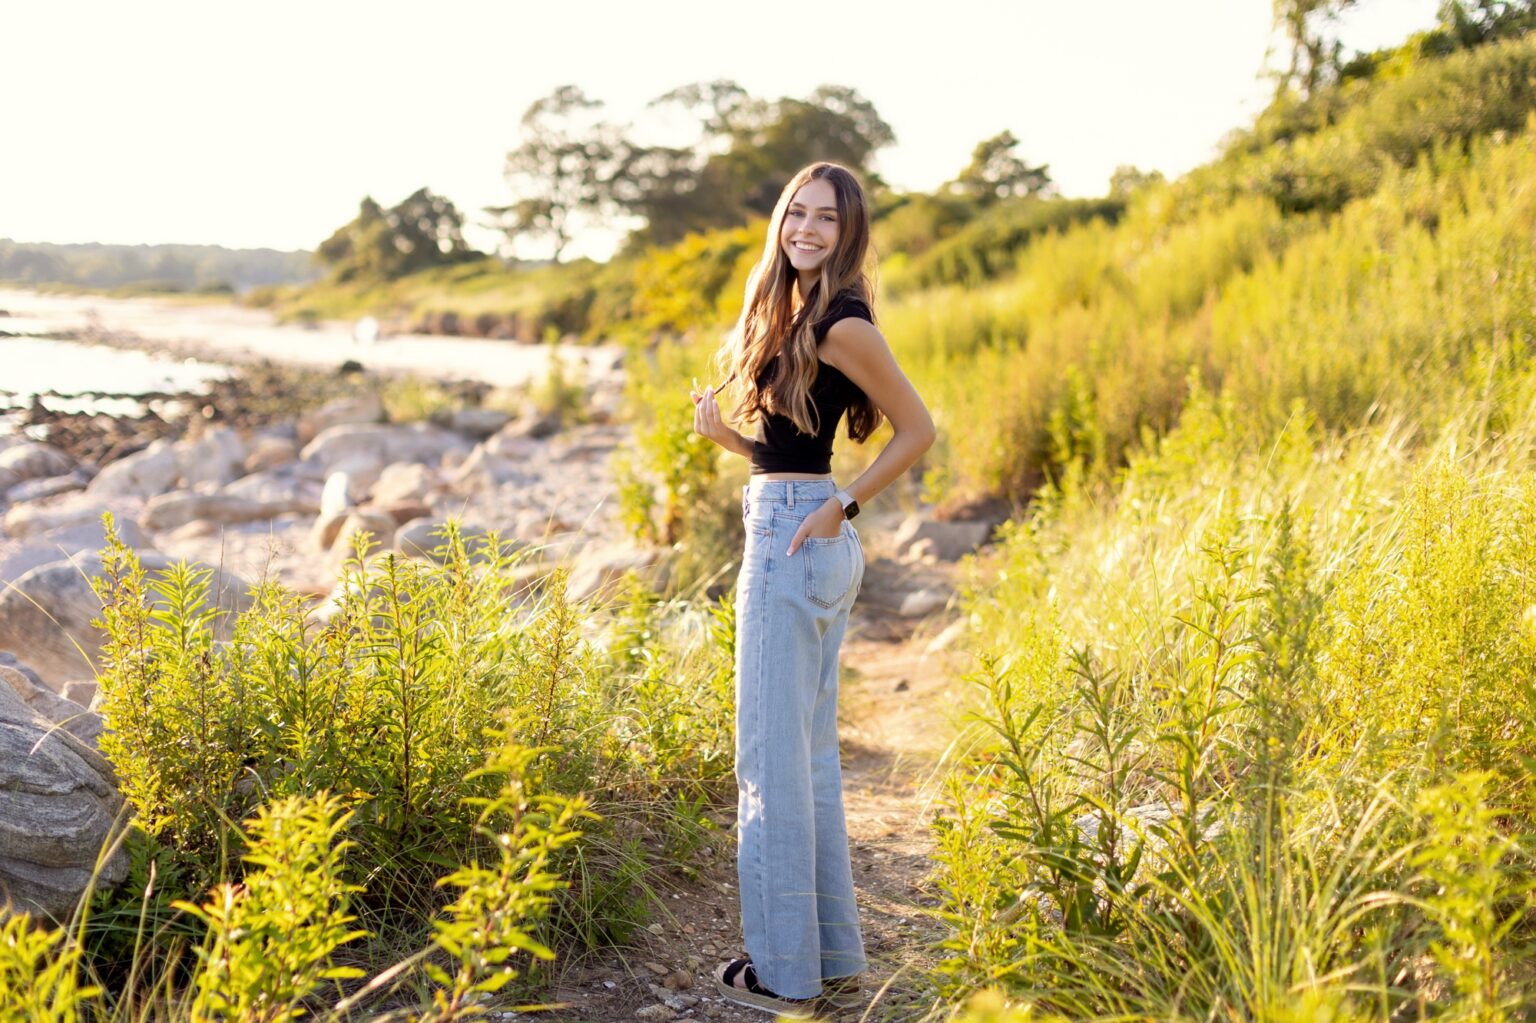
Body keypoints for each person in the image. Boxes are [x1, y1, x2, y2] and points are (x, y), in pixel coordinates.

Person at [690, 161, 936, 1017]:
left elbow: (919, 429)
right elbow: (793, 449)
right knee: (808, 757)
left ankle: (782, 974)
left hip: (801, 533)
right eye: (797, 212)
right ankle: (827, 957)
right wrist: (730, 439)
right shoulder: (803, 312)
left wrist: (846, 501)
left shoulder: (843, 322)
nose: (806, 229)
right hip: (798, 520)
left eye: (826, 220)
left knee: (768, 760)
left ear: (848, 231)